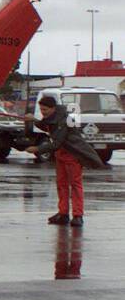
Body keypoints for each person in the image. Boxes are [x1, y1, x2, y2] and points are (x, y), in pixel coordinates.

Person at [26, 94, 108, 226]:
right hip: (61, 154)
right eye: (41, 110)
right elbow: (46, 126)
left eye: (45, 110)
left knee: (75, 185)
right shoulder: (52, 117)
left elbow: (56, 142)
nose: (43, 113)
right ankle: (63, 213)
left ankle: (77, 215)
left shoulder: (64, 120)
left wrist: (37, 149)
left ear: (53, 108)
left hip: (73, 154)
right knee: (61, 184)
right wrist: (33, 120)